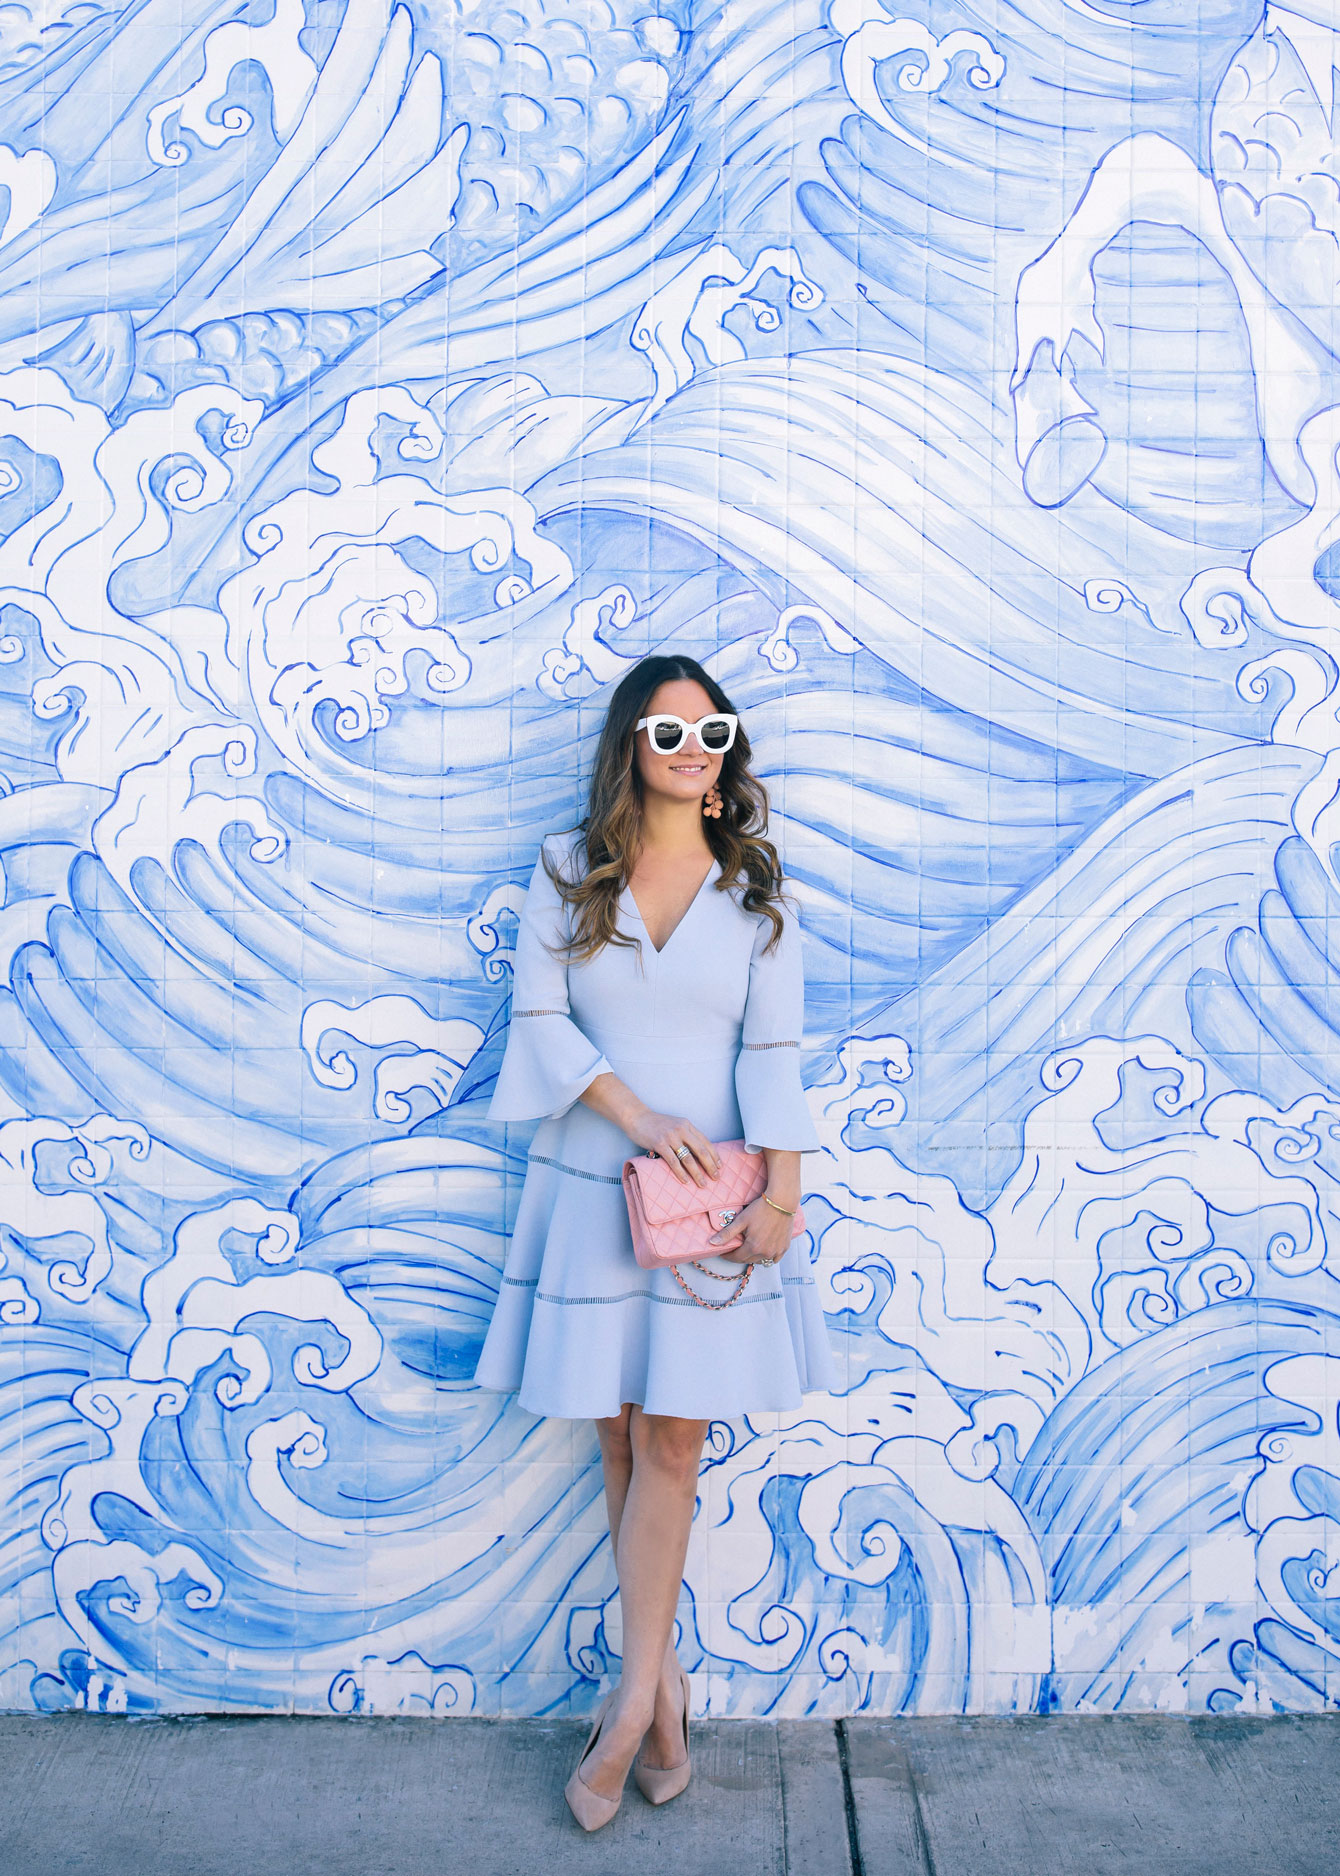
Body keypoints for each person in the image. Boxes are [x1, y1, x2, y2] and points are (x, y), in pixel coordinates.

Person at [472, 652, 835, 1830]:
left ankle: (627, 1707)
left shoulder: (757, 892)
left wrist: (780, 1194)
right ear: (630, 743)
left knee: (671, 1438)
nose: (690, 750)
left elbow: (775, 1053)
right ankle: (664, 1690)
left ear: (728, 753)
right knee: (619, 1434)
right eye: (668, 732)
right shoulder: (566, 870)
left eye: (709, 732)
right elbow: (538, 1017)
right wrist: (639, 1118)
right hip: (594, 1182)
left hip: (711, 1203)